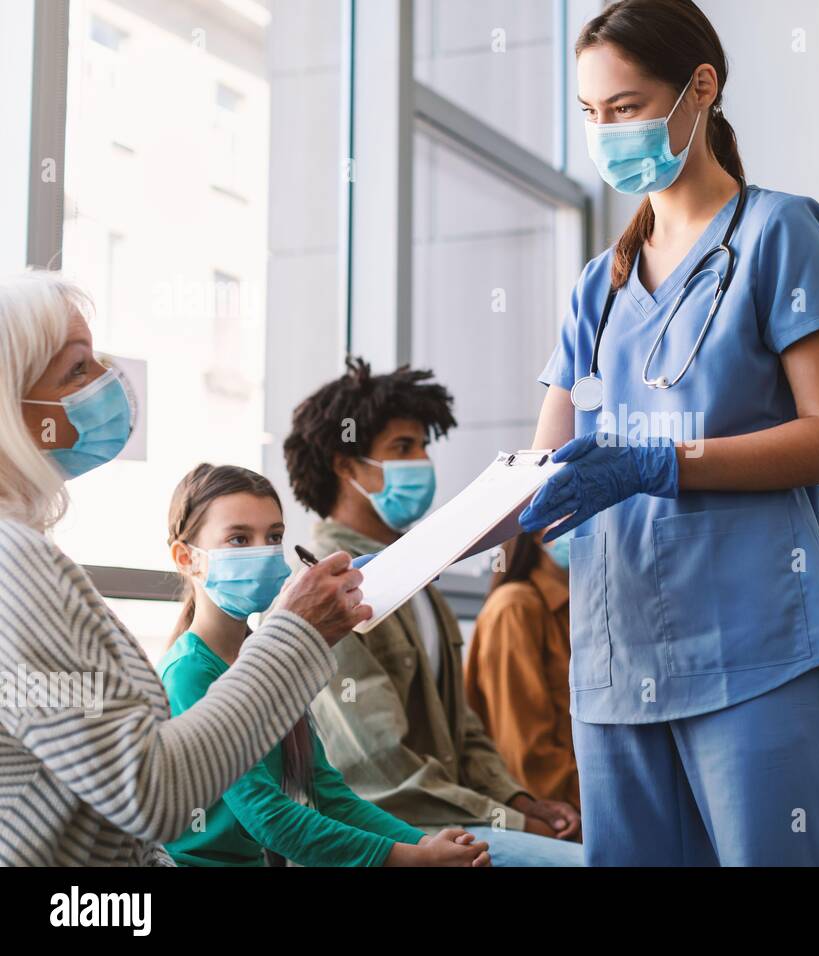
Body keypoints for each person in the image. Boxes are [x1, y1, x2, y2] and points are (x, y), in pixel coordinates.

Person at [519, 0, 819, 866]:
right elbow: (536, 472)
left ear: (700, 90)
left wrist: (658, 462)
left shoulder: (777, 233)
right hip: (615, 666)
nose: (606, 134)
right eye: (592, 114)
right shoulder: (596, 288)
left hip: (757, 657)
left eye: (627, 107)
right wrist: (408, 558)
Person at [0, 271, 369, 866]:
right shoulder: (15, 565)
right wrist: (294, 635)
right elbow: (154, 793)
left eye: (272, 536)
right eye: (77, 369)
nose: (109, 383)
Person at [283, 358, 583, 866]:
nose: (423, 461)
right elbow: (377, 767)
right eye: (403, 448)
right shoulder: (327, 593)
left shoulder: (417, 580)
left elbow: (462, 729)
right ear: (345, 465)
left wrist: (519, 800)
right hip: (394, 835)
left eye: (424, 446)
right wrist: (510, 820)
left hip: (458, 822)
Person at [159, 463, 490, 867]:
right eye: (239, 539)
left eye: (274, 537)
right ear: (186, 558)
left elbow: (326, 791)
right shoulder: (191, 672)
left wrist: (423, 845)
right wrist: (411, 860)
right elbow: (267, 815)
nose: (262, 552)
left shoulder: (269, 662)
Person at [466, 530, 580, 810]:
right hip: (554, 809)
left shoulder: (576, 606)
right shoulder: (514, 607)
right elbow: (524, 753)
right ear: (538, 531)